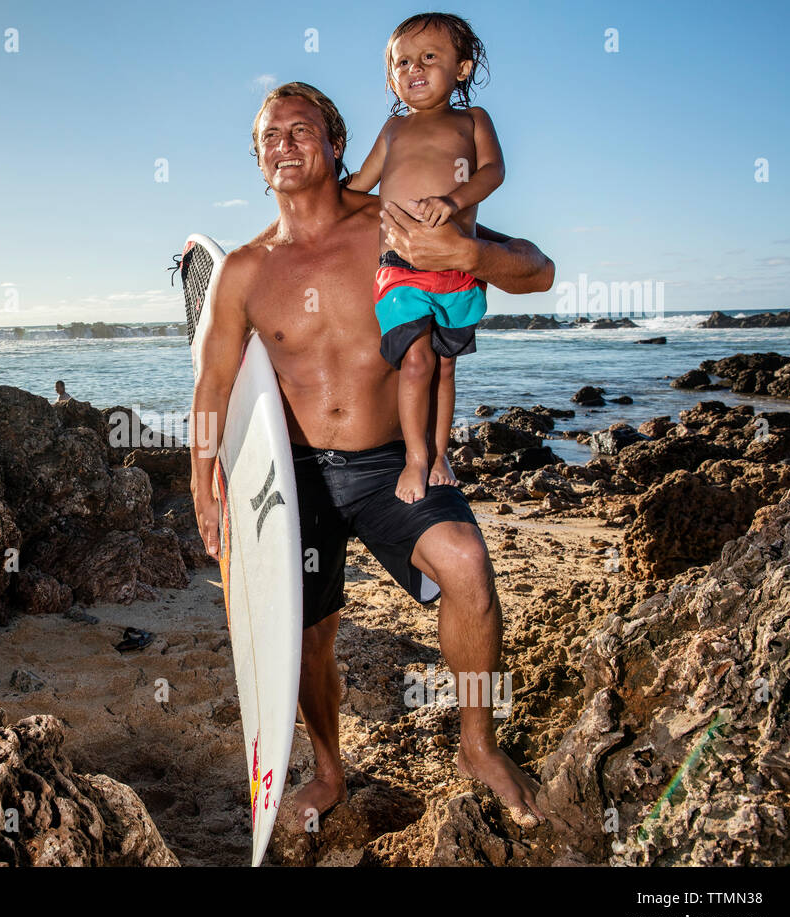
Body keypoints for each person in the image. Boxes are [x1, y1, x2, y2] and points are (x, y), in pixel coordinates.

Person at [190, 81, 553, 832]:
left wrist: (472, 250)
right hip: (295, 482)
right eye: (269, 136)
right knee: (306, 632)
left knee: (466, 563)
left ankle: (477, 746)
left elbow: (535, 269)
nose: (283, 144)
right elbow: (213, 385)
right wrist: (206, 486)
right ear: (257, 161)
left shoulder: (390, 220)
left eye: (301, 131)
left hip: (395, 461)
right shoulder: (247, 271)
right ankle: (329, 770)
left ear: (336, 145)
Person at [346, 12, 504, 504]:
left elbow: (494, 171)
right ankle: (415, 459)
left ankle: (439, 454)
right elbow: (356, 188)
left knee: (445, 368)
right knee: (416, 361)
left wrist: (454, 202)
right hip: (400, 266)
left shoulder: (472, 120)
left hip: (457, 268)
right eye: (401, 61)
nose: (413, 67)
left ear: (461, 68)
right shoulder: (393, 129)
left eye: (428, 57)